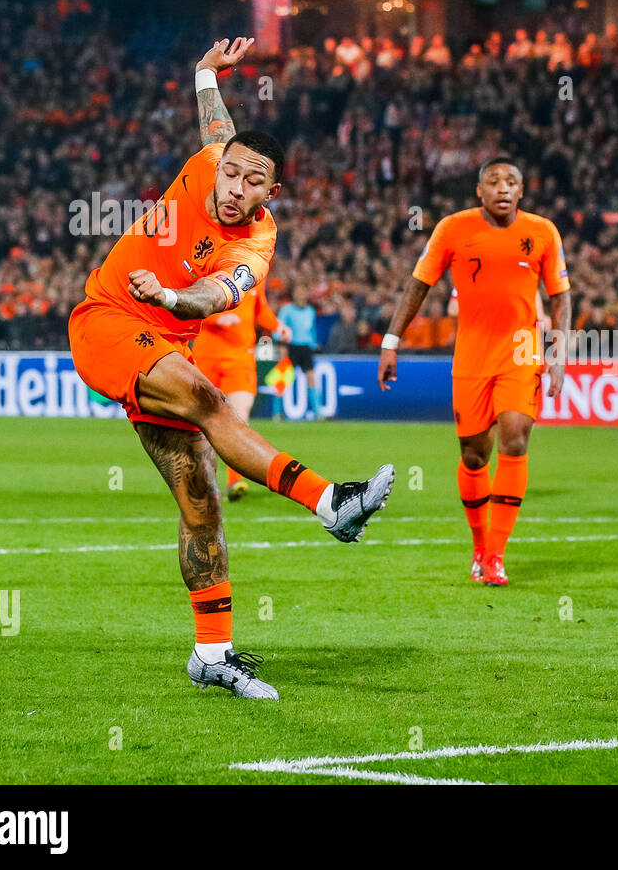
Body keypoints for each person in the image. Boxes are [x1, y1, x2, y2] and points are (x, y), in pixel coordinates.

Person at [67, 38, 393, 700]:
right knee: (213, 402)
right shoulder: (210, 162)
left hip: (166, 333)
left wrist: (173, 298)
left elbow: (218, 295)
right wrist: (204, 74)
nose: (237, 188)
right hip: (107, 321)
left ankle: (212, 655)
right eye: (232, 174)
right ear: (219, 169)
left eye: (254, 182)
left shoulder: (257, 240)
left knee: (202, 501)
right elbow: (217, 128)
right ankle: (330, 502)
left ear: (273, 192)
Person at [378, 157, 571, 586]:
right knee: (474, 455)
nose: (503, 188)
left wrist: (558, 355)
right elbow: (418, 285)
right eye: (494, 181)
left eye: (511, 181)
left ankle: (497, 555)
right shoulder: (452, 229)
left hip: (522, 351)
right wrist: (391, 341)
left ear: (521, 191)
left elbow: (560, 296)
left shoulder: (543, 232)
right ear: (479, 191)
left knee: (515, 436)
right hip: (471, 356)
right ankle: (480, 546)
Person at [193, 281, 291, 500]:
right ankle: (202, 481)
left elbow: (260, 308)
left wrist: (277, 326)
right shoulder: (209, 268)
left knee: (239, 417)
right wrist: (216, 318)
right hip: (207, 356)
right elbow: (191, 305)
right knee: (201, 420)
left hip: (240, 359)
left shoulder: (256, 273)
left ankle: (234, 481)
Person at [278, 284, 322, 419]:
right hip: (291, 346)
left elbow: (312, 330)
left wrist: (313, 345)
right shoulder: (286, 310)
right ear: (294, 294)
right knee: (282, 379)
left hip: (305, 348)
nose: (301, 295)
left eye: (303, 292)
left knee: (311, 378)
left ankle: (318, 413)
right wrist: (282, 345)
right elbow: (279, 327)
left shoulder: (310, 311)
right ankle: (276, 412)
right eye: (298, 292)